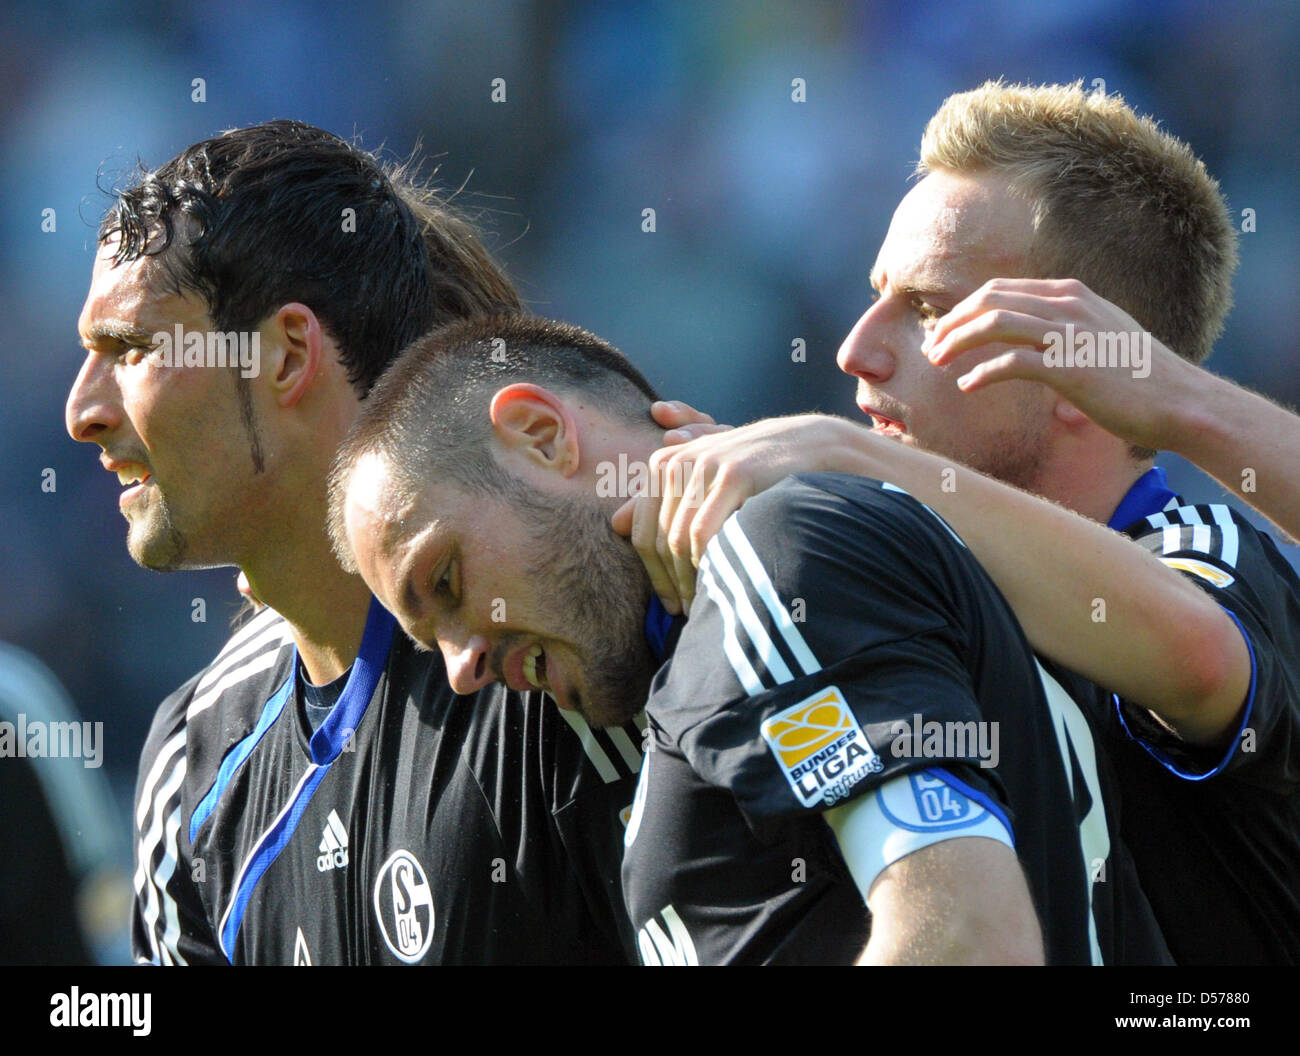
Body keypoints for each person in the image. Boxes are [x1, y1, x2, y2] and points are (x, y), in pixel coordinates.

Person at [614, 82, 1300, 965]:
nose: (856, 349)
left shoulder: (1205, 551)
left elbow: (1199, 660)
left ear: (1084, 366)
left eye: (930, 308)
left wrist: (861, 463)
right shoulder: (871, 582)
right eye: (876, 294)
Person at [328, 313, 1171, 965]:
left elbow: (966, 938)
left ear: (542, 438)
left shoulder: (776, 562)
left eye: (445, 581)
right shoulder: (723, 630)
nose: (462, 668)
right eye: (427, 640)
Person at [66, 120, 700, 964]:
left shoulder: (566, 656)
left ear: (287, 354)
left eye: (134, 348)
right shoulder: (194, 761)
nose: (84, 412)